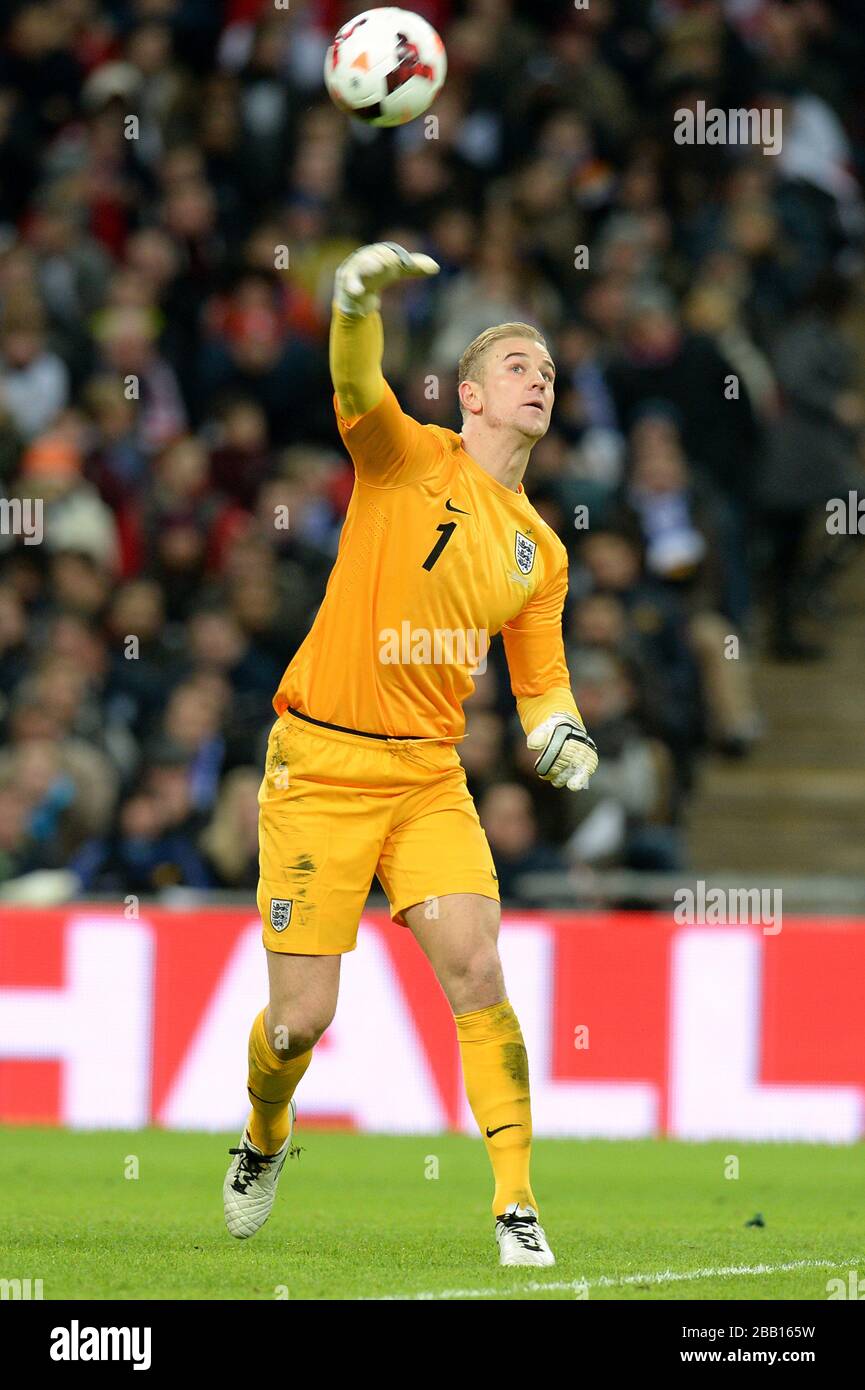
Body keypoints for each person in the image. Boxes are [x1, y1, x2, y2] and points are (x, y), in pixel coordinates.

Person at [222, 242, 599, 1268]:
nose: (539, 379)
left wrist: (558, 737)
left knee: (478, 969)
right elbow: (355, 381)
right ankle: (263, 1133)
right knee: (298, 1023)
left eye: (549, 372)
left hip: (428, 777)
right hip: (322, 765)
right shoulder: (405, 455)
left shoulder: (541, 551)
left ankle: (515, 1204)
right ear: (470, 393)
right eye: (517, 365)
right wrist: (351, 299)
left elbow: (539, 681)